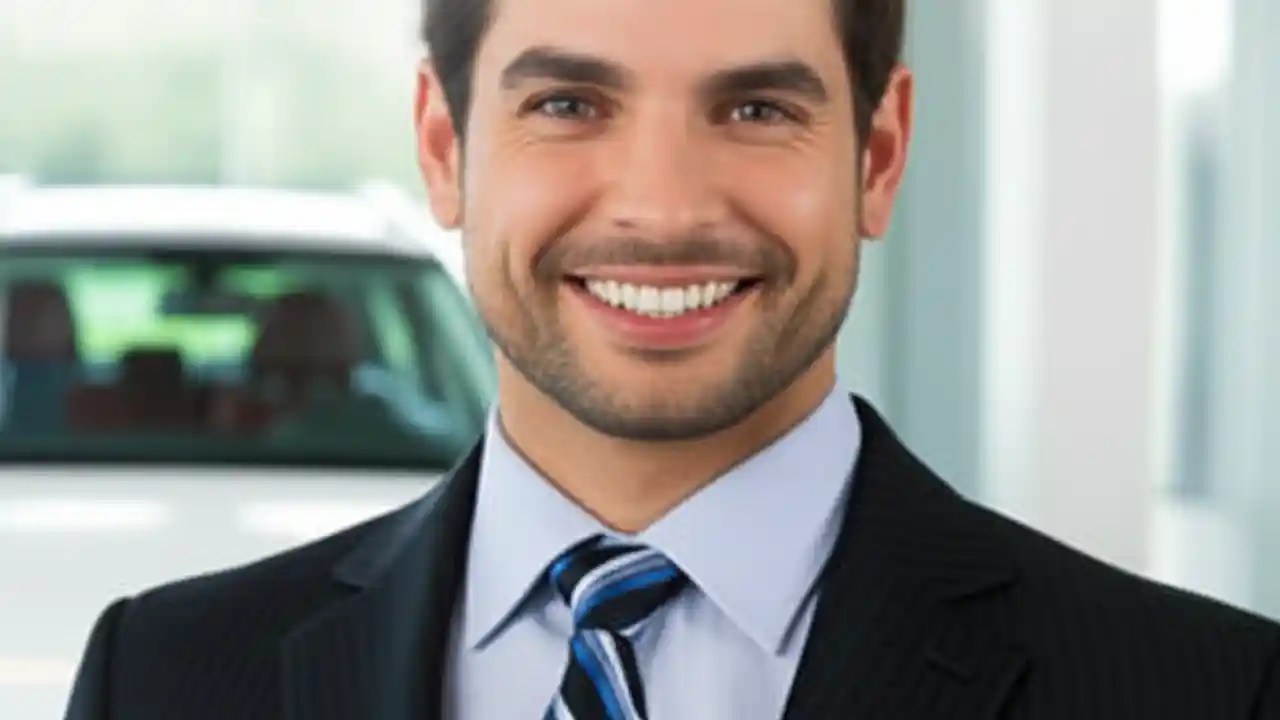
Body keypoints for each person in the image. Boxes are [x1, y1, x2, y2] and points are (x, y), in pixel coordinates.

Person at [66, 0, 1279, 717]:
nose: (657, 207)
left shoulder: (1202, 694)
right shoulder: (166, 681)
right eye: (568, 106)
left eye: (754, 110)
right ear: (444, 148)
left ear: (877, 155)